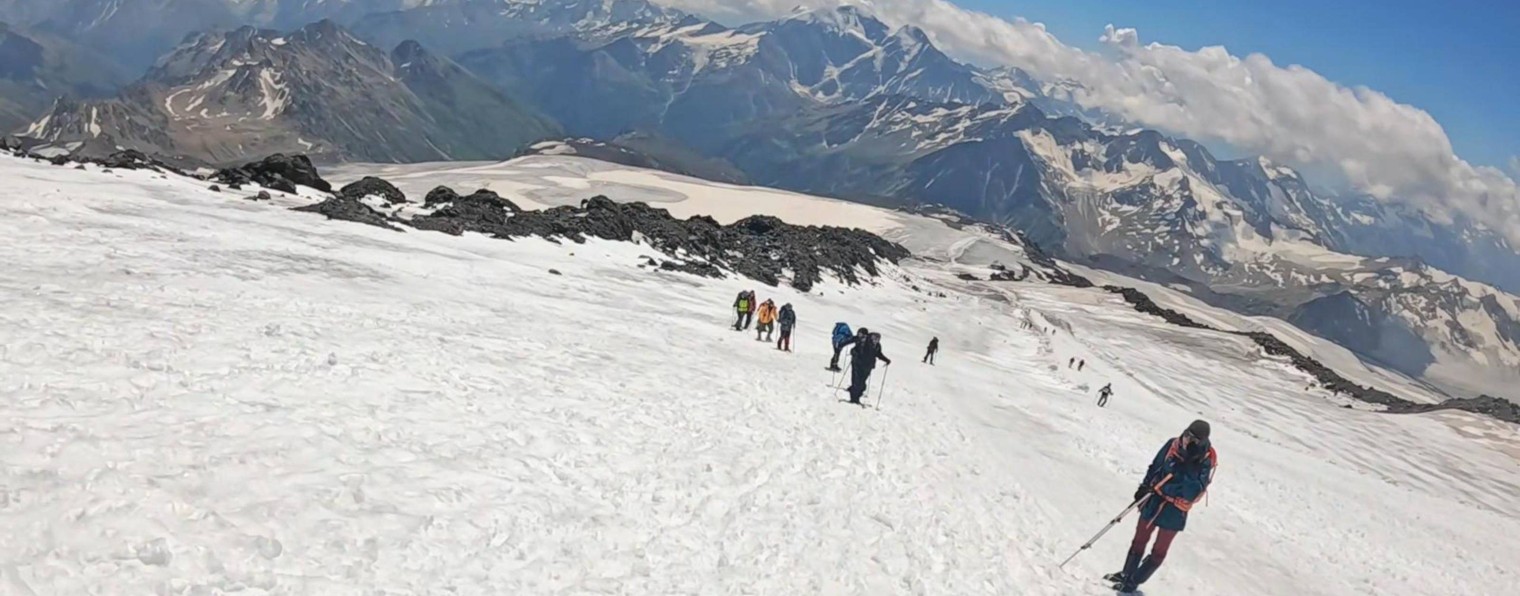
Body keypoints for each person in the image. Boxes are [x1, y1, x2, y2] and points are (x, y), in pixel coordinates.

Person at [1109, 420, 1217, 594]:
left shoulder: (1206, 459)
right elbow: (1155, 466)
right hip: (1155, 498)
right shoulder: (1172, 444)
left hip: (1176, 508)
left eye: (1194, 439)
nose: (1188, 440)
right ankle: (1125, 574)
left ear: (1202, 441)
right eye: (1188, 434)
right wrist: (1143, 487)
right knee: (1139, 539)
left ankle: (1134, 582)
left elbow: (1193, 492)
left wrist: (1190, 465)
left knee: (1159, 550)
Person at [838, 331, 891, 404]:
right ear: (871, 338)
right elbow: (853, 350)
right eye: (875, 338)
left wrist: (886, 360)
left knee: (862, 384)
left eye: (878, 339)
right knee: (858, 383)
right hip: (858, 365)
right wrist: (856, 356)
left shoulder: (877, 346)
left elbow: (878, 354)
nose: (876, 340)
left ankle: (856, 396)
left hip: (868, 367)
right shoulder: (864, 343)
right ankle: (854, 399)